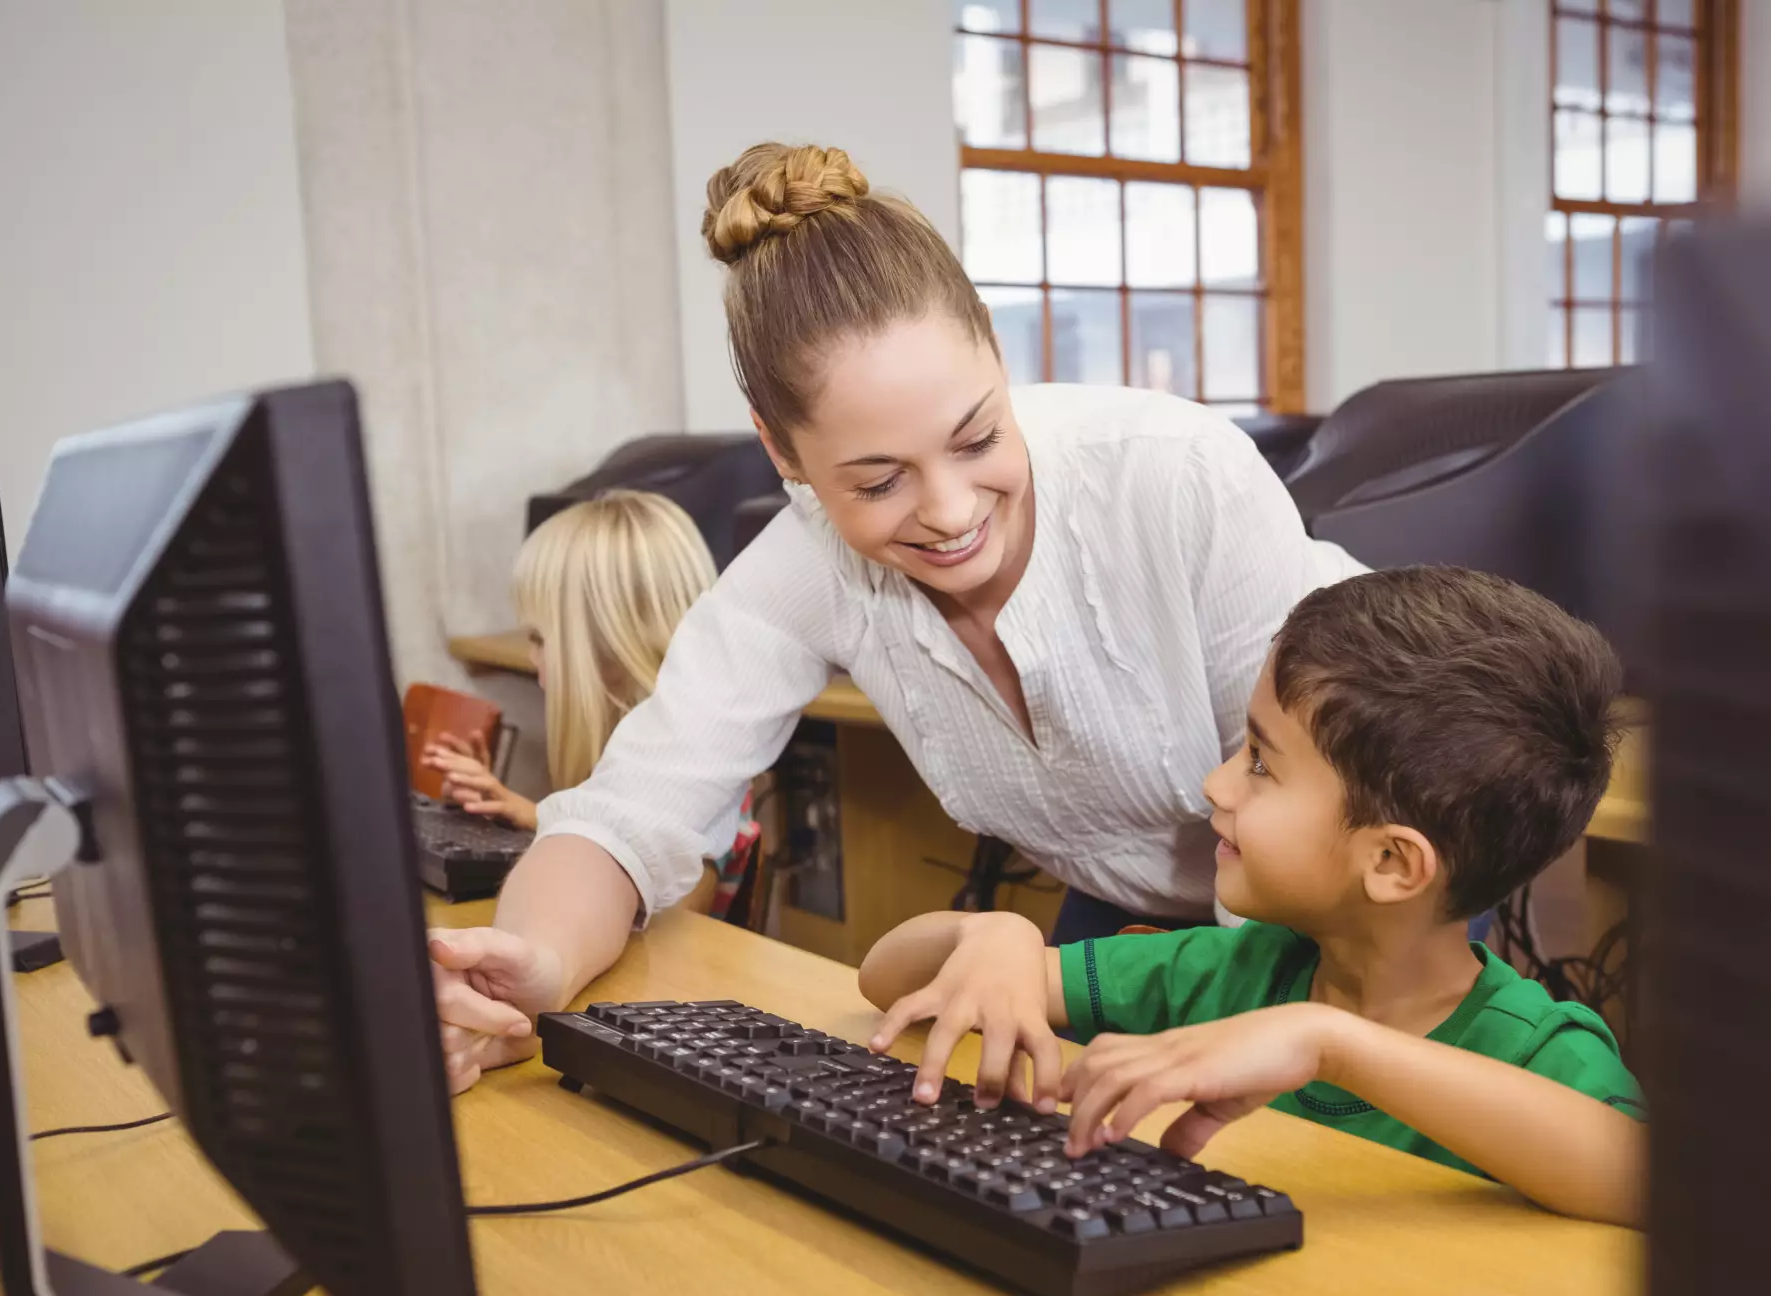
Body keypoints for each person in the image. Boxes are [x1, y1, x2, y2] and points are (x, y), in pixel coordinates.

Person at [429, 141, 1360, 1094]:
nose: (952, 512)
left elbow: (1316, 800)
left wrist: (1244, 1037)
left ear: (995, 352)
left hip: (1351, 894)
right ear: (778, 447)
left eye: (977, 438)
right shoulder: (800, 571)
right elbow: (631, 814)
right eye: (878, 480)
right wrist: (533, 962)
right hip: (1136, 912)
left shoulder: (1174, 475)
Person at [857, 567, 1645, 1227]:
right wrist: (992, 939)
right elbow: (885, 980)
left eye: (1260, 764)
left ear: (1393, 864)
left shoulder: (1538, 1051)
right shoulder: (1223, 971)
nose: (1217, 783)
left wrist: (1329, 1042)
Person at [421, 491, 758, 919]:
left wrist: (543, 823)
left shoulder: (690, 779)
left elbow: (671, 928)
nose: (531, 656)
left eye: (540, 638)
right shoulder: (642, 745)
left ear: (608, 644)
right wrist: (519, 813)